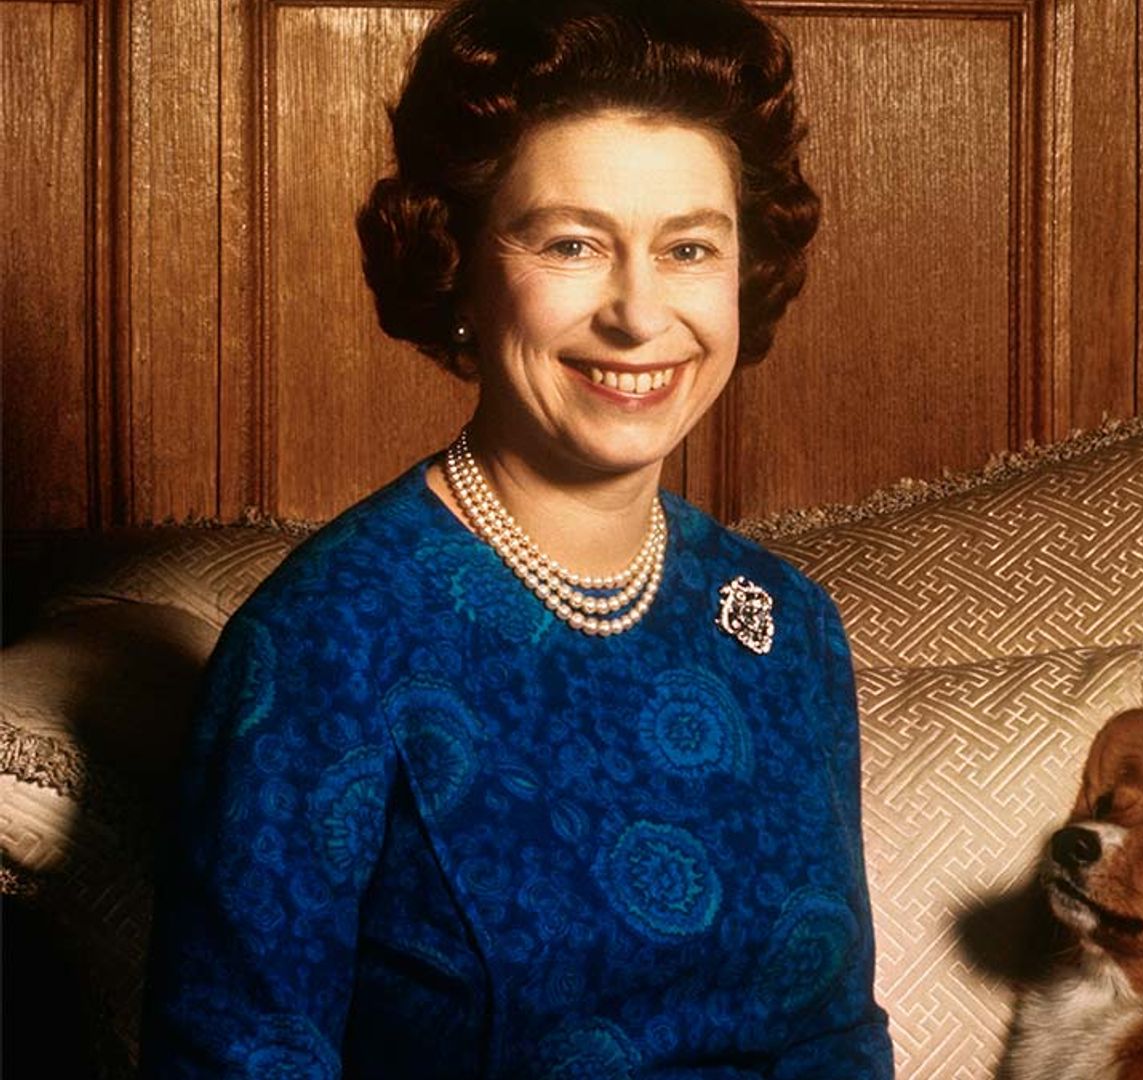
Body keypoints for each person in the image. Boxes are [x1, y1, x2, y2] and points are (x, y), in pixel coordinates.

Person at [140, 0, 894, 1074]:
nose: (639, 314)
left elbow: (838, 1035)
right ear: (460, 266)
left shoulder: (785, 627)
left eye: (688, 247)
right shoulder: (325, 644)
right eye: (573, 243)